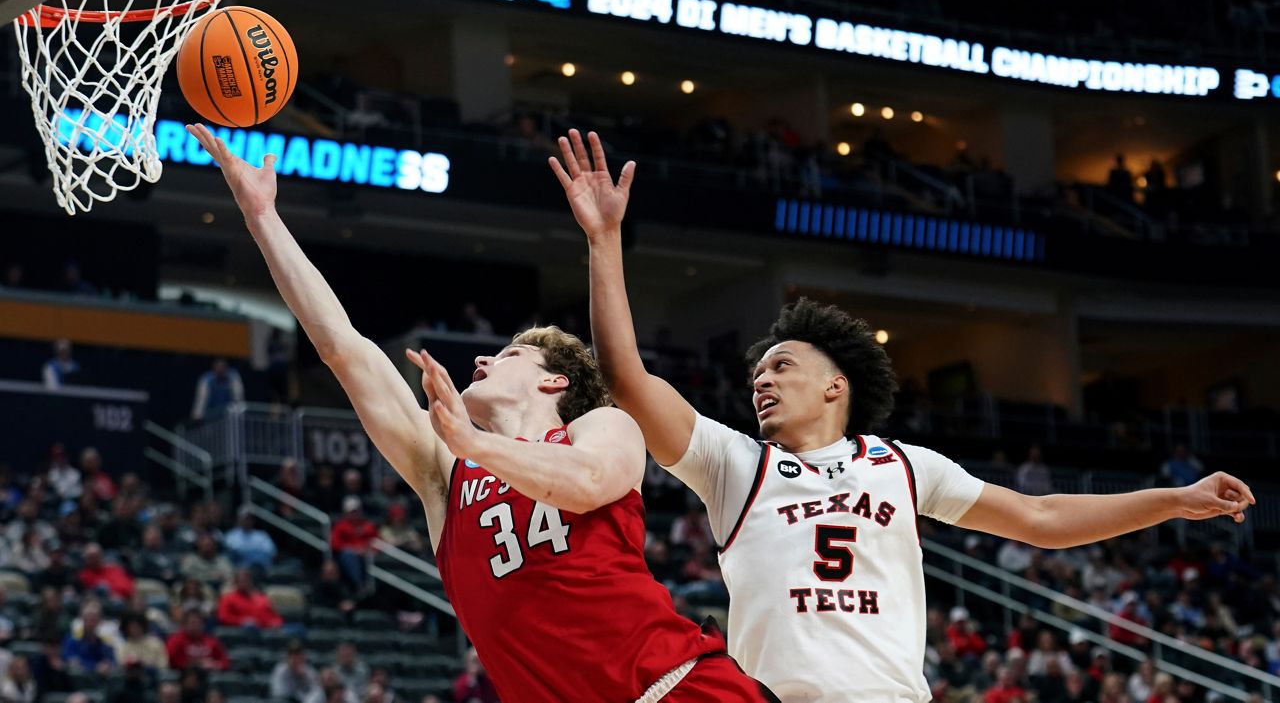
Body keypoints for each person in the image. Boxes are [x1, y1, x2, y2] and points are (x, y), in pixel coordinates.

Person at [555, 127, 1257, 702]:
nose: (761, 381)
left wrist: (1173, 498)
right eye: (756, 373)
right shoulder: (736, 464)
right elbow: (626, 377)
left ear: (836, 386)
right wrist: (604, 241)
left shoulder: (902, 464)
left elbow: (1041, 519)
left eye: (781, 366)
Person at [187, 122, 775, 702]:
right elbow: (343, 349)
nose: (482, 359)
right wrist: (262, 217)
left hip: (676, 688)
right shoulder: (445, 469)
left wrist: (475, 444)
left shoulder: (600, 427)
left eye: (509, 352)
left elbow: (590, 482)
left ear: (554, 380)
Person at [330, 497, 377, 589]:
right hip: (348, 556)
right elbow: (335, 544)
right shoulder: (341, 526)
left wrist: (369, 550)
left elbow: (377, 541)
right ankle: (360, 585)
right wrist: (355, 549)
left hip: (367, 554)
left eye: (357, 511)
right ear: (345, 513)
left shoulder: (367, 525)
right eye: (352, 511)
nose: (355, 514)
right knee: (348, 554)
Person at [216, 568, 283, 629]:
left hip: (267, 630)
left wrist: (276, 622)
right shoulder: (228, 598)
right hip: (244, 632)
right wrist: (241, 621)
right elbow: (223, 617)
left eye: (246, 580)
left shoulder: (261, 597)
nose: (244, 583)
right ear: (236, 582)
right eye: (241, 580)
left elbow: (275, 616)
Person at [224, 507, 277, 572]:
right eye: (245, 518)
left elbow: (272, 553)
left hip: (260, 570)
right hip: (239, 571)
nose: (247, 521)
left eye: (249, 519)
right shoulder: (231, 536)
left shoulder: (262, 535)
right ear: (239, 519)